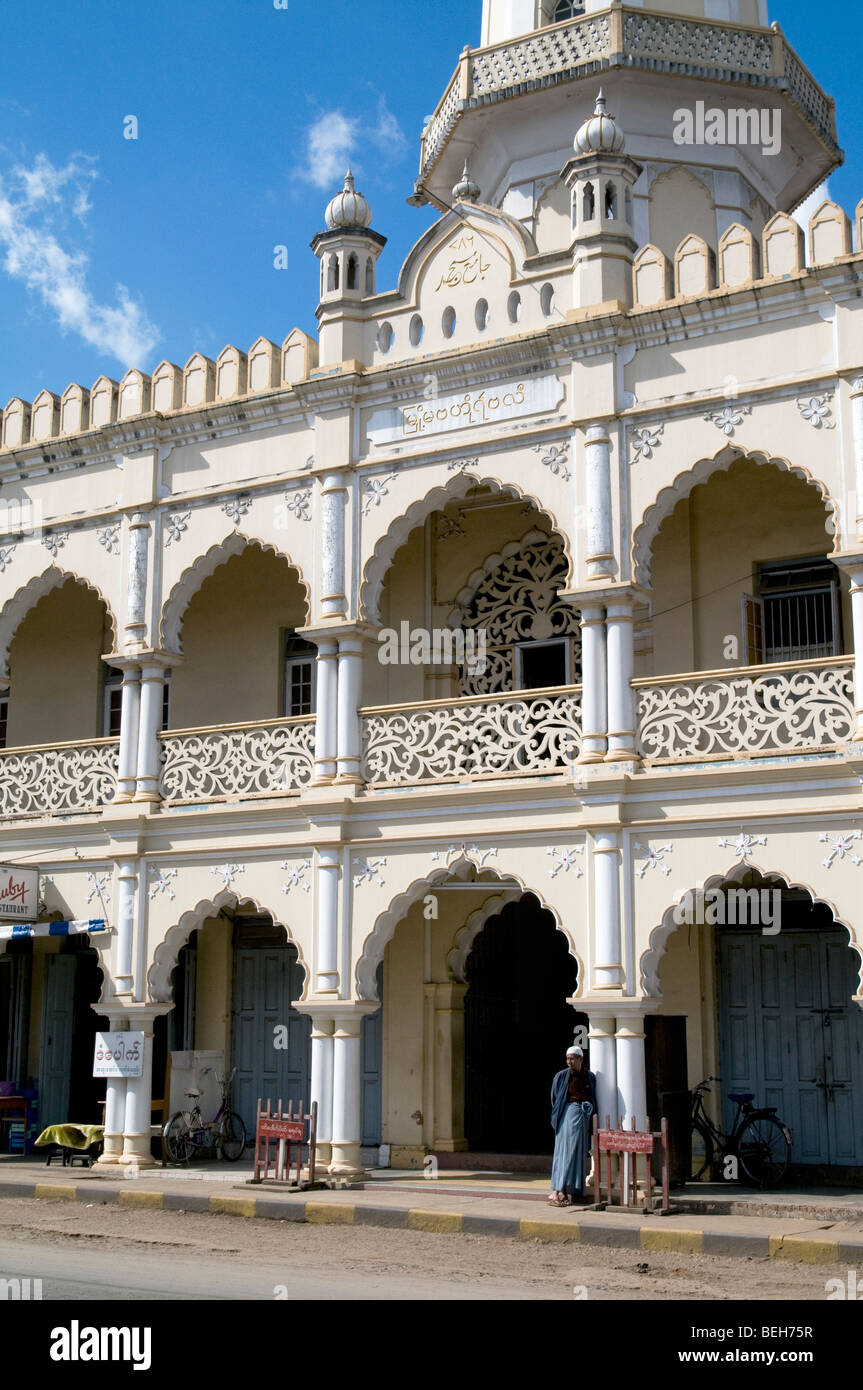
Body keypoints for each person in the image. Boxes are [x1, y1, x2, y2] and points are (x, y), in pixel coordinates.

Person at [549, 1044, 598, 1207]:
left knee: (578, 1152)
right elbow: (556, 1099)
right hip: (568, 1115)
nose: (569, 1062)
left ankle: (571, 1190)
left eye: (572, 1058)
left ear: (580, 1059)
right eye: (567, 1058)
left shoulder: (589, 1076)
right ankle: (557, 1189)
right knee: (565, 1152)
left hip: (583, 1115)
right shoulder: (562, 1076)